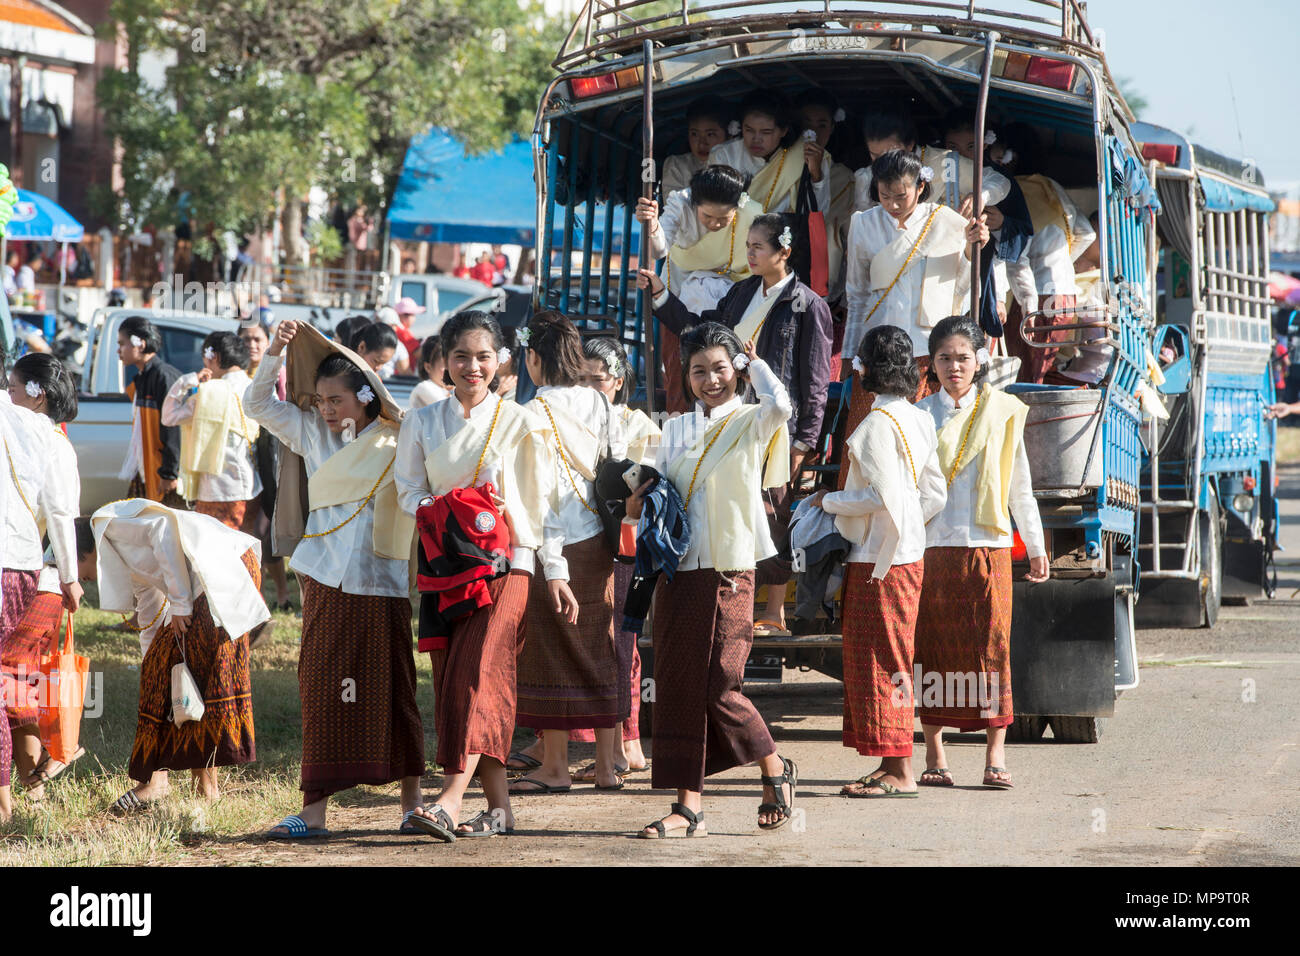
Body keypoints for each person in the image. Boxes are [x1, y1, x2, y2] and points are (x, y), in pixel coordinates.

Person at [245, 319, 425, 838]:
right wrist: (274, 352)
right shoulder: (307, 431)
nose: (326, 409)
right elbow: (256, 405)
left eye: (337, 400)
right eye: (320, 399)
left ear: (366, 397)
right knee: (322, 688)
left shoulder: (401, 437)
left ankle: (412, 805)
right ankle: (314, 811)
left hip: (383, 583)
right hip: (323, 578)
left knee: (396, 690)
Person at [628, 323, 797, 837]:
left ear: (736, 371)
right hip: (678, 570)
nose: (709, 380)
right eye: (698, 370)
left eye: (720, 368)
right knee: (680, 685)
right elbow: (654, 487)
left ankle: (773, 766)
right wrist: (635, 492)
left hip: (729, 568)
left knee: (722, 683)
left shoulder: (752, 419)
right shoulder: (673, 429)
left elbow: (784, 406)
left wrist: (755, 363)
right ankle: (688, 808)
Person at [395, 311, 551, 839]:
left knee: (477, 674)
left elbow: (540, 504)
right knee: (454, 680)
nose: (472, 366)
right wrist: (447, 508)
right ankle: (501, 809)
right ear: (445, 360)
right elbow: (406, 490)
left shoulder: (520, 421)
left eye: (484, 355)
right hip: (444, 563)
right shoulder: (420, 421)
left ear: (501, 360)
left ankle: (450, 799)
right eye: (461, 356)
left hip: (506, 565)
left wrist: (558, 571)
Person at [640, 213, 833, 633]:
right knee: (731, 504)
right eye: (746, 246)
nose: (749, 253)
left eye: (757, 247)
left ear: (784, 251)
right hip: (729, 417)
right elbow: (702, 333)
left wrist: (805, 440)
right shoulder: (741, 292)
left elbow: (815, 380)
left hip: (776, 422)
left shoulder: (807, 303)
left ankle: (774, 610)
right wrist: (661, 295)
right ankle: (725, 595)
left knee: (773, 511)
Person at [806, 325, 946, 797]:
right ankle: (893, 765)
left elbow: (878, 495)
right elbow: (934, 494)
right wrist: (907, 526)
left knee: (881, 661)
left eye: (859, 363)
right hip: (907, 556)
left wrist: (829, 501)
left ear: (865, 369)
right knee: (896, 658)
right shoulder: (921, 417)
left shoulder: (873, 425)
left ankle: (900, 771)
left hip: (876, 562)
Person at [914, 316, 1048, 790]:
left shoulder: (1003, 411)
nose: (954, 366)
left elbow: (1019, 485)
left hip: (987, 548)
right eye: (945, 357)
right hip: (930, 549)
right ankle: (934, 754)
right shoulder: (917, 415)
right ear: (931, 363)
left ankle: (995, 756)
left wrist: (1035, 545)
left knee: (993, 651)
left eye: (963, 357)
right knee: (931, 652)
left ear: (979, 362)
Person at [80, 503, 268, 813]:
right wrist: (153, 666)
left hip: (222, 569)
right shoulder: (118, 553)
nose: (80, 580)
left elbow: (163, 528)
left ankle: (203, 791)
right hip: (204, 583)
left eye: (72, 568)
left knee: (201, 673)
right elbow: (149, 611)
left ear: (83, 552)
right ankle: (158, 781)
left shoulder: (110, 524)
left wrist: (180, 603)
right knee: (161, 673)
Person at [509, 311, 628, 796]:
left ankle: (555, 766)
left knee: (552, 650)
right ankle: (606, 766)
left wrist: (552, 564)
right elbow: (619, 466)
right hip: (602, 540)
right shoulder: (601, 404)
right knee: (600, 645)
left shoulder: (530, 413)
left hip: (557, 547)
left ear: (533, 358)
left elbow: (542, 500)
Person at [839, 150, 991, 488]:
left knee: (921, 444)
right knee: (869, 443)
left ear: (920, 186)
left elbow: (964, 287)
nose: (893, 203)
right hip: (878, 351)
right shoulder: (863, 224)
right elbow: (857, 293)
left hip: (926, 351)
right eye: (884, 195)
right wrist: (850, 354)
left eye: (901, 195)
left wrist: (971, 251)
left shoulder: (948, 221)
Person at [570, 337, 658, 776]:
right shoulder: (574, 418)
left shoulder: (639, 426)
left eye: (597, 379)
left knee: (623, 640)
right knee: (599, 638)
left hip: (629, 544)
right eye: (580, 377)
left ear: (619, 381)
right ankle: (618, 745)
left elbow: (647, 489)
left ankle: (627, 744)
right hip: (590, 542)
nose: (587, 387)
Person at [1, 356, 80, 814]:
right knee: (14, 680)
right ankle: (33, 785)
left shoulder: (52, 442)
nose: (8, 393)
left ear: (38, 392)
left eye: (14, 386)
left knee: (13, 677)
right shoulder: (19, 429)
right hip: (35, 573)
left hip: (40, 577)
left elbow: (63, 516)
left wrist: (69, 576)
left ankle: (30, 784)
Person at [637, 164, 759, 413]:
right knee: (680, 377)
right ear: (694, 202)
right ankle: (682, 443)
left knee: (730, 380)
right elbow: (659, 249)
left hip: (728, 308)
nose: (715, 224)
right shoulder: (679, 202)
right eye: (707, 217)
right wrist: (651, 225)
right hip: (678, 304)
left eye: (723, 219)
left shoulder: (752, 213)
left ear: (738, 207)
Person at [161, 331, 260, 530]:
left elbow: (169, 416)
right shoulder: (253, 387)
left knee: (214, 552)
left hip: (215, 487)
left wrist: (188, 381)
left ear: (213, 357)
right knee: (246, 548)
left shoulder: (208, 392)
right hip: (251, 484)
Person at [852, 109, 1011, 216]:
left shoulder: (945, 163)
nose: (884, 162)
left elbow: (1000, 181)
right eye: (875, 155)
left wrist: (981, 196)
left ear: (910, 144)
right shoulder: (866, 177)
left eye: (891, 153)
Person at [238, 319, 292, 611]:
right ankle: (252, 595)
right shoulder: (230, 375)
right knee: (249, 531)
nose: (252, 345)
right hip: (241, 462)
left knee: (269, 526)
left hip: (270, 455)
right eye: (245, 339)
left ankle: (283, 594)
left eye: (257, 339)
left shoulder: (277, 372)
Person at [708, 89, 830, 215]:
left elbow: (819, 214)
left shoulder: (805, 155)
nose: (756, 139)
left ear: (784, 131)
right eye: (749, 130)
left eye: (766, 132)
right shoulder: (724, 155)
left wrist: (816, 175)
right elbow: (714, 209)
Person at [116, 316, 184, 507]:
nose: (118, 350)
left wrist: (170, 473)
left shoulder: (164, 376)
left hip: (163, 473)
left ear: (140, 344)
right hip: (146, 468)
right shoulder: (142, 377)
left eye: (122, 344)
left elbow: (173, 429)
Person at [663, 95, 732, 195]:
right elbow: (673, 205)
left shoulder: (739, 161)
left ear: (729, 136)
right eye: (694, 134)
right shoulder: (677, 165)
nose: (702, 143)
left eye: (710, 134)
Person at [408, 336, 450, 409]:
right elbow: (451, 411)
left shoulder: (447, 389)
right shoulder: (424, 387)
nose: (450, 372)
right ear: (428, 367)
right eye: (445, 367)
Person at [390, 297, 426, 365]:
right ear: (404, 316)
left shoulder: (397, 329)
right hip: (403, 372)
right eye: (413, 315)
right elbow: (418, 353)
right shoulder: (403, 333)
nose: (414, 318)